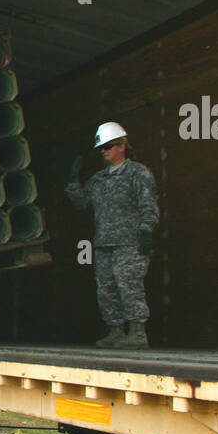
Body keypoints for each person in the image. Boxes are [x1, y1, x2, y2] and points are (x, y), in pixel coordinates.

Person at [64, 121, 158, 349]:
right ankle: (115, 331)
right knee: (106, 288)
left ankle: (137, 332)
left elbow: (148, 204)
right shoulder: (98, 180)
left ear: (122, 146)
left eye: (108, 146)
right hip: (104, 243)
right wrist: (73, 181)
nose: (104, 151)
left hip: (130, 242)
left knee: (128, 285)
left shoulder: (137, 173)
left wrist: (147, 230)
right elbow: (81, 203)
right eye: (101, 148)